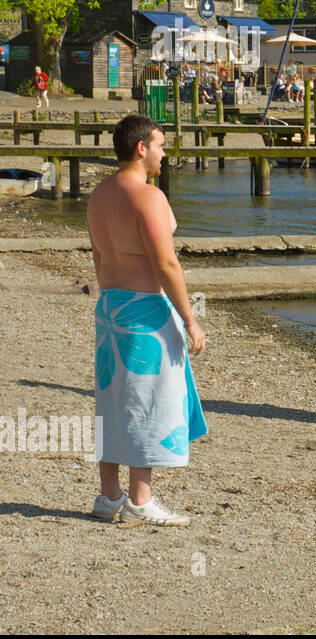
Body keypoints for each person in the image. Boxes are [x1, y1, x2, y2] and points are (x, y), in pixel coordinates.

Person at [86, 114, 207, 526]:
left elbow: (100, 257)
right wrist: (190, 319)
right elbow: (166, 262)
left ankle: (108, 497)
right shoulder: (148, 196)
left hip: (111, 306)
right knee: (145, 401)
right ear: (141, 148)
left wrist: (111, 300)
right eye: (160, 145)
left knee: (112, 402)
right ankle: (140, 501)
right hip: (144, 310)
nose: (164, 153)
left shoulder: (99, 194)